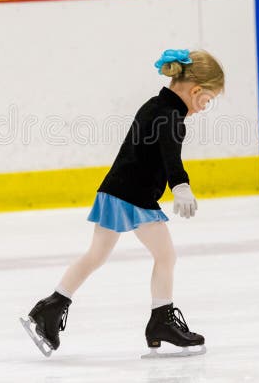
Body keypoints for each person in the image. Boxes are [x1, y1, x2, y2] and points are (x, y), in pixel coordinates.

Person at [21, 49, 225, 358]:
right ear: (196, 91)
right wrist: (181, 186)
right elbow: (171, 156)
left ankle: (50, 308)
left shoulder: (156, 106)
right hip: (134, 197)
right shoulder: (170, 116)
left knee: (96, 256)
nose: (202, 108)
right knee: (166, 256)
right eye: (206, 101)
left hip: (116, 190)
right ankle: (161, 320)